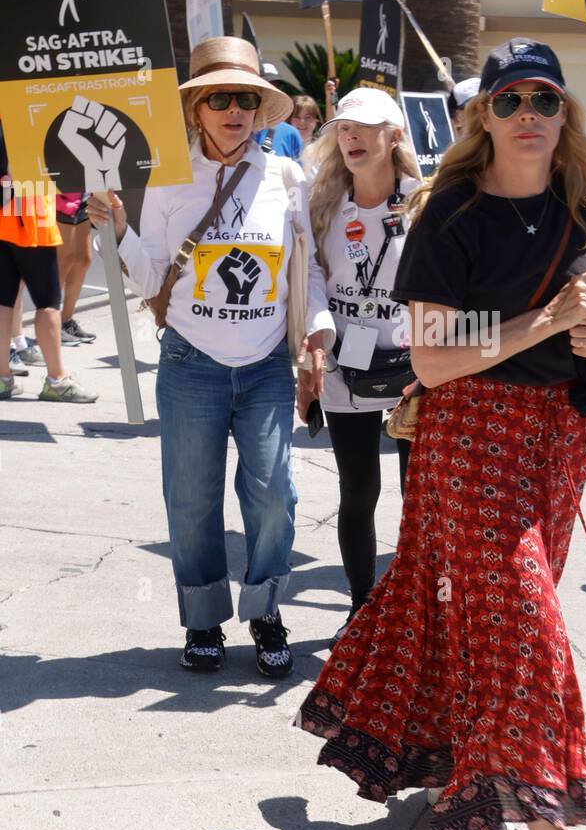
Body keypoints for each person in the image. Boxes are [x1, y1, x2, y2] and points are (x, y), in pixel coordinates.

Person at [300, 38, 586, 830]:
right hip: (470, 434)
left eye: (543, 100)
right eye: (508, 101)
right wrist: (546, 322)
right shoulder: (450, 215)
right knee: (524, 620)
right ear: (478, 117)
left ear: (565, 115)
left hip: (559, 441)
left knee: (478, 613)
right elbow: (432, 354)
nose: (527, 114)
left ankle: (470, 767)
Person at [86, 37, 335, 675]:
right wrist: (115, 229)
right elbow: (149, 279)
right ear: (197, 108)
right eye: (219, 97)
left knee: (274, 492)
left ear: (259, 109)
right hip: (190, 365)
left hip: (265, 370)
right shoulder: (169, 181)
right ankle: (202, 621)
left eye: (246, 99)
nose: (234, 110)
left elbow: (309, 271)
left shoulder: (287, 176)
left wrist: (318, 328)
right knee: (192, 500)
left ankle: (267, 609)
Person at [302, 88, 422, 643]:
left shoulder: (425, 203)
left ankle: (413, 610)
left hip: (412, 373)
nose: (350, 137)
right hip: (344, 368)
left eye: (363, 128)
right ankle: (360, 609)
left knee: (417, 495)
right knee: (357, 490)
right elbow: (310, 279)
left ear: (393, 136)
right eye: (343, 128)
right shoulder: (323, 200)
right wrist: (316, 335)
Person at [0, 124, 97, 403]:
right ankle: (57, 380)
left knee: (4, 300)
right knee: (48, 302)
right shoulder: (28, 108)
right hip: (30, 214)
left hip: (7, 212)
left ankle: (3, 378)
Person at [56, 191, 96, 344]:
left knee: (83, 259)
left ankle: (66, 321)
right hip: (61, 196)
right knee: (63, 261)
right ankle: (52, 325)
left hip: (83, 197)